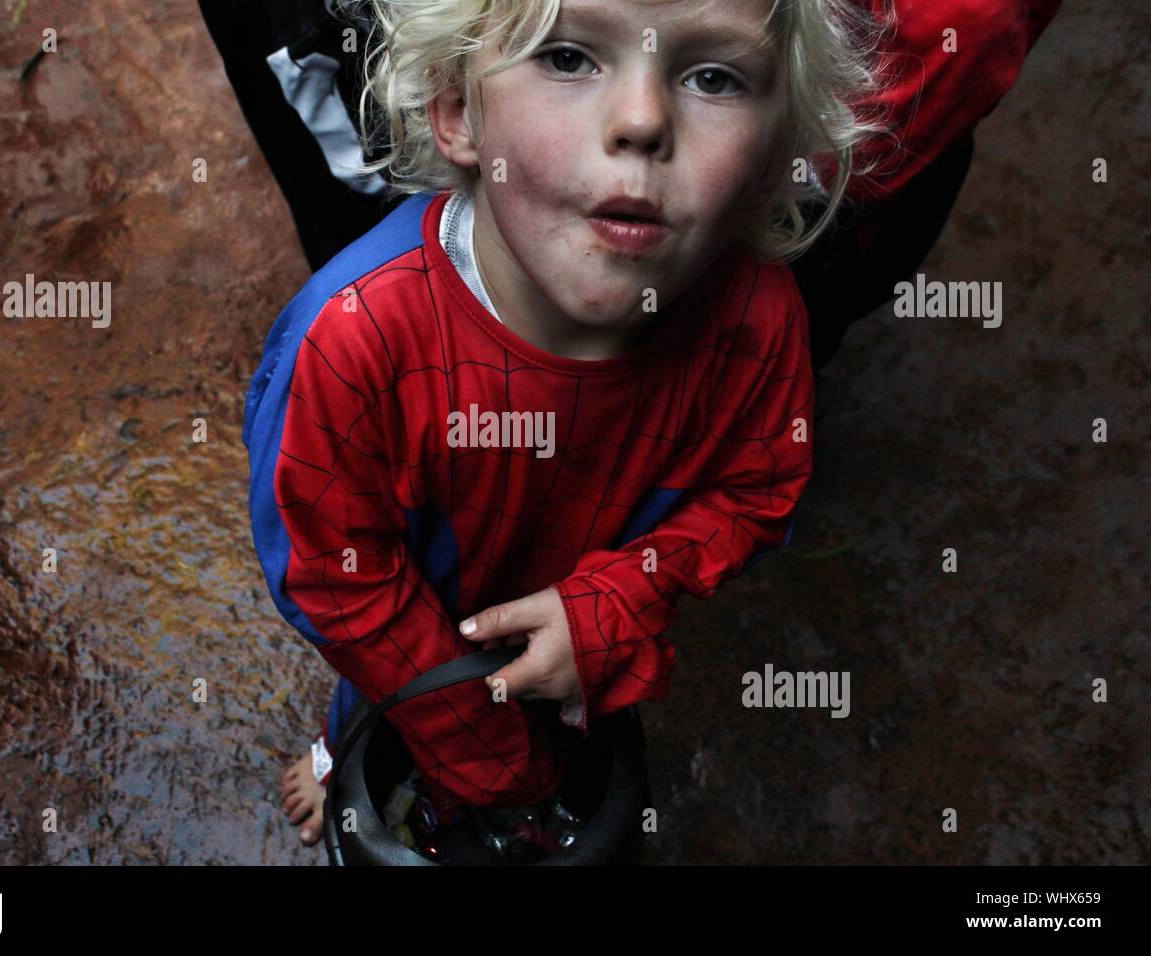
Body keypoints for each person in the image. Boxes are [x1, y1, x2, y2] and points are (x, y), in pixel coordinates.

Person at [240, 0, 900, 850]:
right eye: (566, 58)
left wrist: (612, 606)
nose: (642, 120)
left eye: (713, 77)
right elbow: (338, 579)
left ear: (776, 158)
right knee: (380, 698)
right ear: (455, 109)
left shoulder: (755, 325)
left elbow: (758, 487)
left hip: (579, 633)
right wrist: (479, 748)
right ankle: (340, 751)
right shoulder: (353, 341)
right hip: (415, 622)